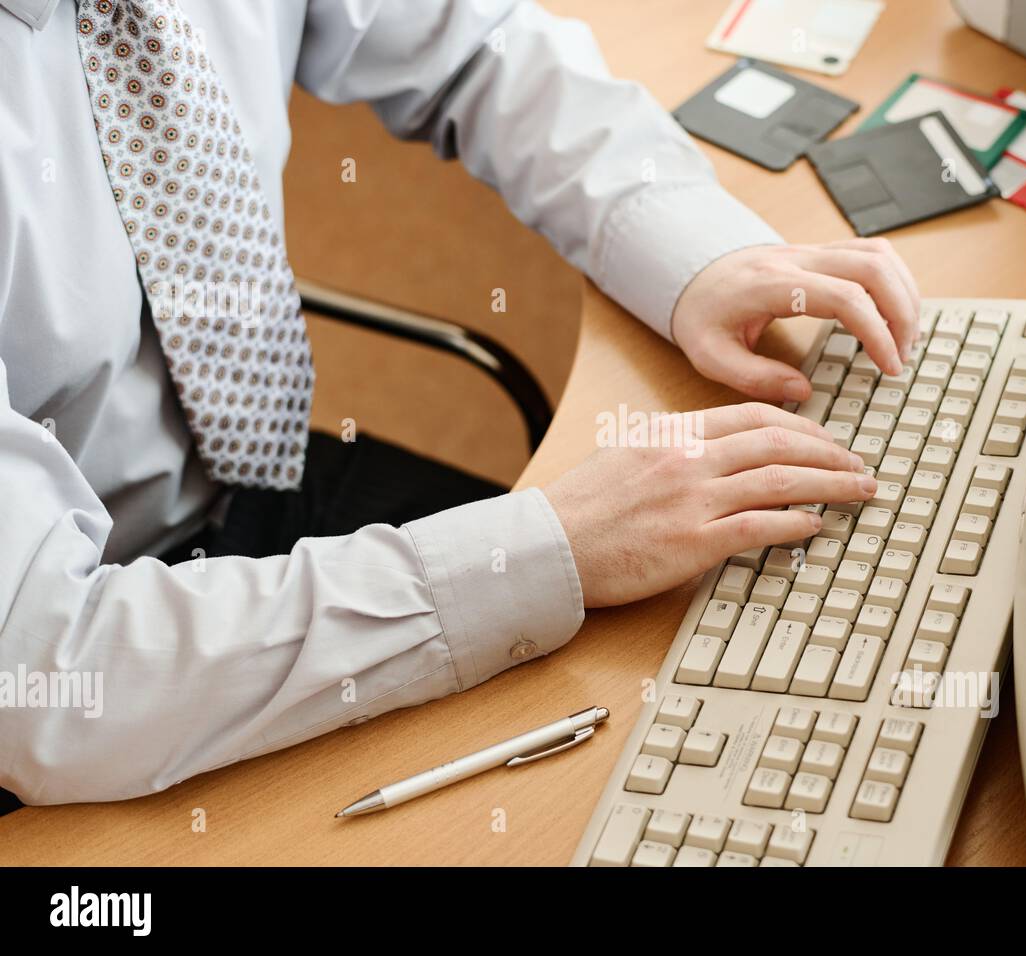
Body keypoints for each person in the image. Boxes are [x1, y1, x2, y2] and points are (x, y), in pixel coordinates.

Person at [0, 0, 919, 808]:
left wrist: (695, 252)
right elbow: (48, 677)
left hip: (252, 474)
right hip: (85, 648)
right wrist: (548, 547)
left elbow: (477, 46)